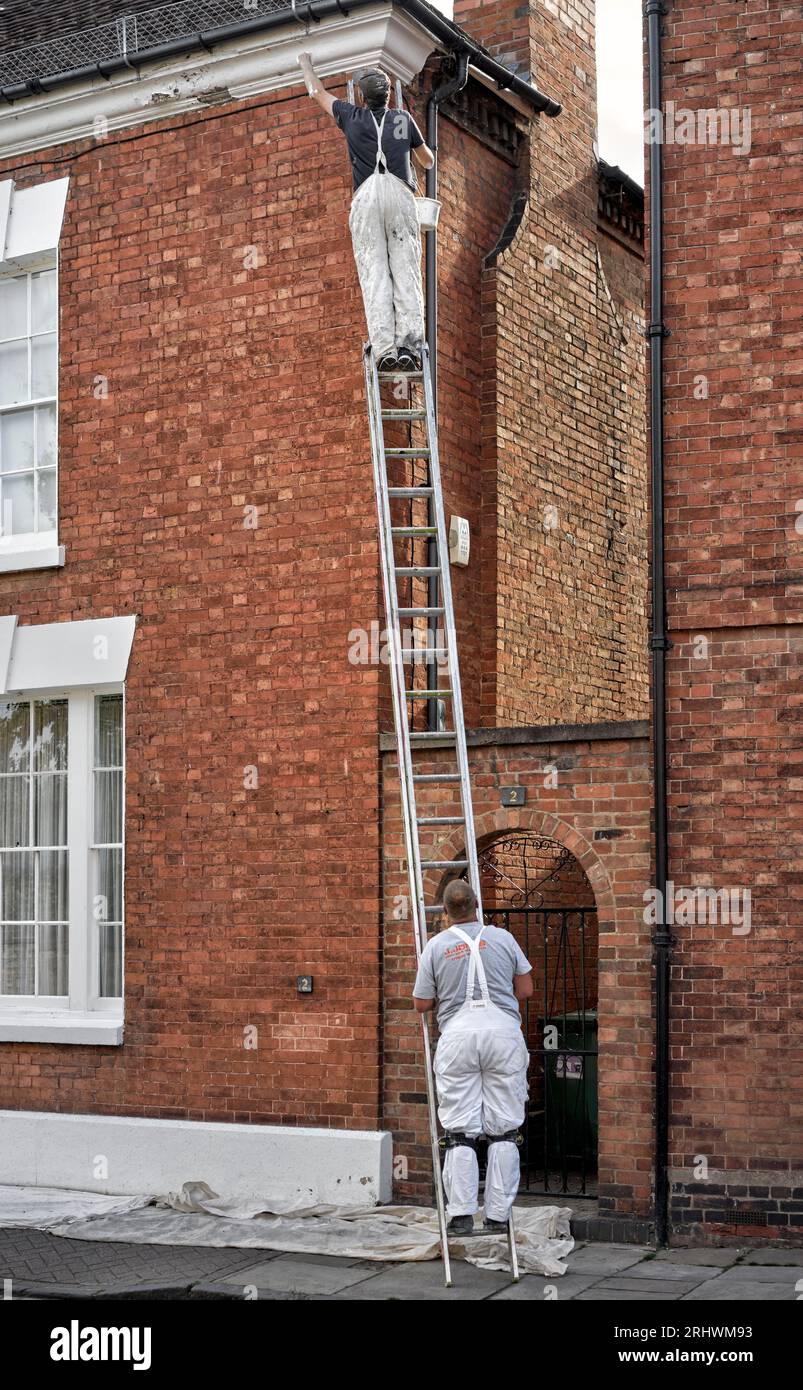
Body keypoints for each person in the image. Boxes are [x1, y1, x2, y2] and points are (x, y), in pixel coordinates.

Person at [298, 52, 434, 372]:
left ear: (361, 94)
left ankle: (385, 349)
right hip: (400, 196)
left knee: (375, 271)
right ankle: (410, 345)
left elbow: (316, 92)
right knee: (405, 270)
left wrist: (306, 63)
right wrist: (409, 151)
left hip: (367, 198)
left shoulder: (352, 117)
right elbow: (427, 160)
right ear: (388, 95)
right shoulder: (402, 119)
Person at [413, 878, 533, 1235]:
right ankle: (497, 1215)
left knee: (460, 1130)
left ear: (446, 911)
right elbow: (525, 989)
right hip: (502, 1034)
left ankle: (461, 1214)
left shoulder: (435, 946)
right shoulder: (503, 938)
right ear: (477, 903)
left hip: (458, 1037)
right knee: (505, 1129)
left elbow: (421, 1003)